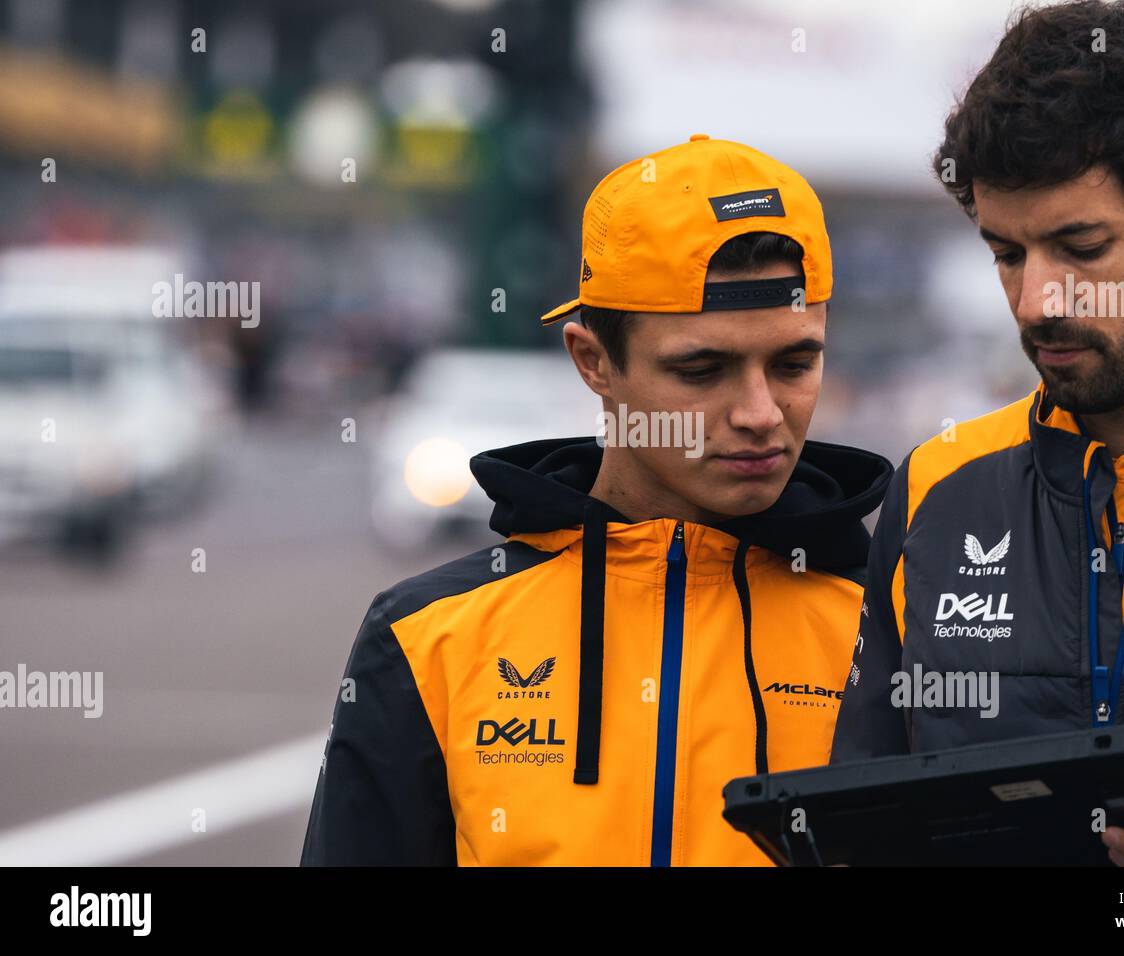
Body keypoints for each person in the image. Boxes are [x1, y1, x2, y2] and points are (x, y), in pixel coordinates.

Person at [302, 135, 892, 865]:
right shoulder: (431, 637)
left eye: (795, 363)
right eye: (702, 369)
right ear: (593, 361)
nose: (761, 412)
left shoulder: (893, 628)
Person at [832, 0, 1124, 866]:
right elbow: (859, 827)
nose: (1035, 300)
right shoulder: (938, 484)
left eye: (1080, 248)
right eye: (1007, 252)